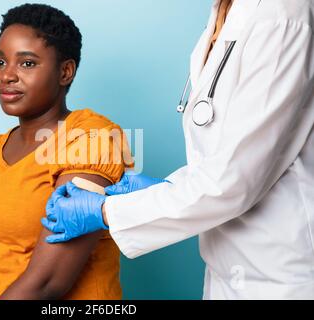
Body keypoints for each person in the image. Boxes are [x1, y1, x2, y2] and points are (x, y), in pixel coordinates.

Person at [42, 0, 314, 299]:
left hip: (280, 275)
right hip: (228, 269)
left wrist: (105, 211)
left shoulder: (281, 14)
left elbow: (235, 179)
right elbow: (227, 156)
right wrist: (168, 188)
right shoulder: (227, 10)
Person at [0, 3, 131, 300]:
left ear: (65, 72)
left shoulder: (91, 137)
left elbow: (46, 283)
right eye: (0, 62)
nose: (7, 76)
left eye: (27, 63)